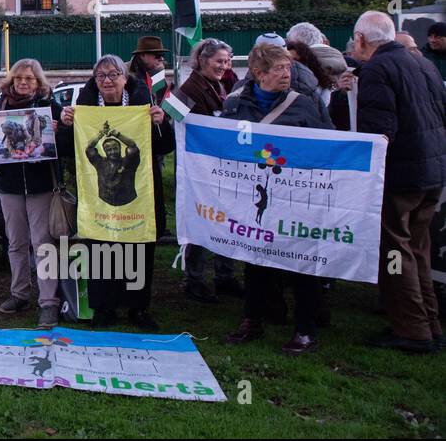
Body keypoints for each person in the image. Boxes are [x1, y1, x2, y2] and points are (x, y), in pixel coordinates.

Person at [221, 43, 333, 354]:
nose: (287, 74)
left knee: (300, 260)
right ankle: (252, 319)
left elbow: (328, 141)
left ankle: (305, 329)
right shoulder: (235, 103)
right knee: (254, 257)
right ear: (259, 73)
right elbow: (224, 144)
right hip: (255, 196)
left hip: (295, 196)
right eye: (280, 69)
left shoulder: (303, 104)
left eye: (288, 68)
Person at [351, 11, 446, 353]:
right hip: (432, 171)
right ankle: (429, 324)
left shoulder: (378, 69)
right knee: (417, 249)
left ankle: (412, 330)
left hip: (401, 175)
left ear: (361, 39)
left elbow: (379, 132)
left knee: (395, 250)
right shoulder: (423, 63)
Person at [58, 54, 172, 330]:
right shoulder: (84, 108)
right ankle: (103, 308)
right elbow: (68, 149)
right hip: (99, 201)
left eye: (113, 75)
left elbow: (165, 146)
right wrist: (66, 125)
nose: (107, 80)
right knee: (100, 250)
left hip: (138, 198)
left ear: (124, 77)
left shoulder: (141, 105)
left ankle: (138, 308)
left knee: (138, 251)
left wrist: (161, 123)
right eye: (101, 76)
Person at [0, 58, 62, 328]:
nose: (23, 83)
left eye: (29, 78)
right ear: (12, 80)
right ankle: (19, 293)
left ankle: (48, 302)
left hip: (41, 185)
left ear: (38, 81)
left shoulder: (49, 105)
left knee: (43, 243)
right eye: (19, 78)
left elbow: (67, 145)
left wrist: (60, 131)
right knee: (16, 242)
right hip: (9, 186)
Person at [172, 38, 243, 302]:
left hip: (224, 166)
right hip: (200, 171)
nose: (224, 66)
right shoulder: (188, 88)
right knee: (200, 222)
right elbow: (172, 120)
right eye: (219, 61)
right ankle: (194, 280)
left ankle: (225, 276)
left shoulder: (225, 82)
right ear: (203, 60)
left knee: (228, 221)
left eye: (227, 61)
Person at [128, 36, 172, 240]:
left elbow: (166, 104)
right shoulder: (131, 78)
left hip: (154, 141)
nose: (161, 59)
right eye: (157, 56)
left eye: (161, 56)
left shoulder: (156, 77)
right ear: (143, 56)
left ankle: (154, 225)